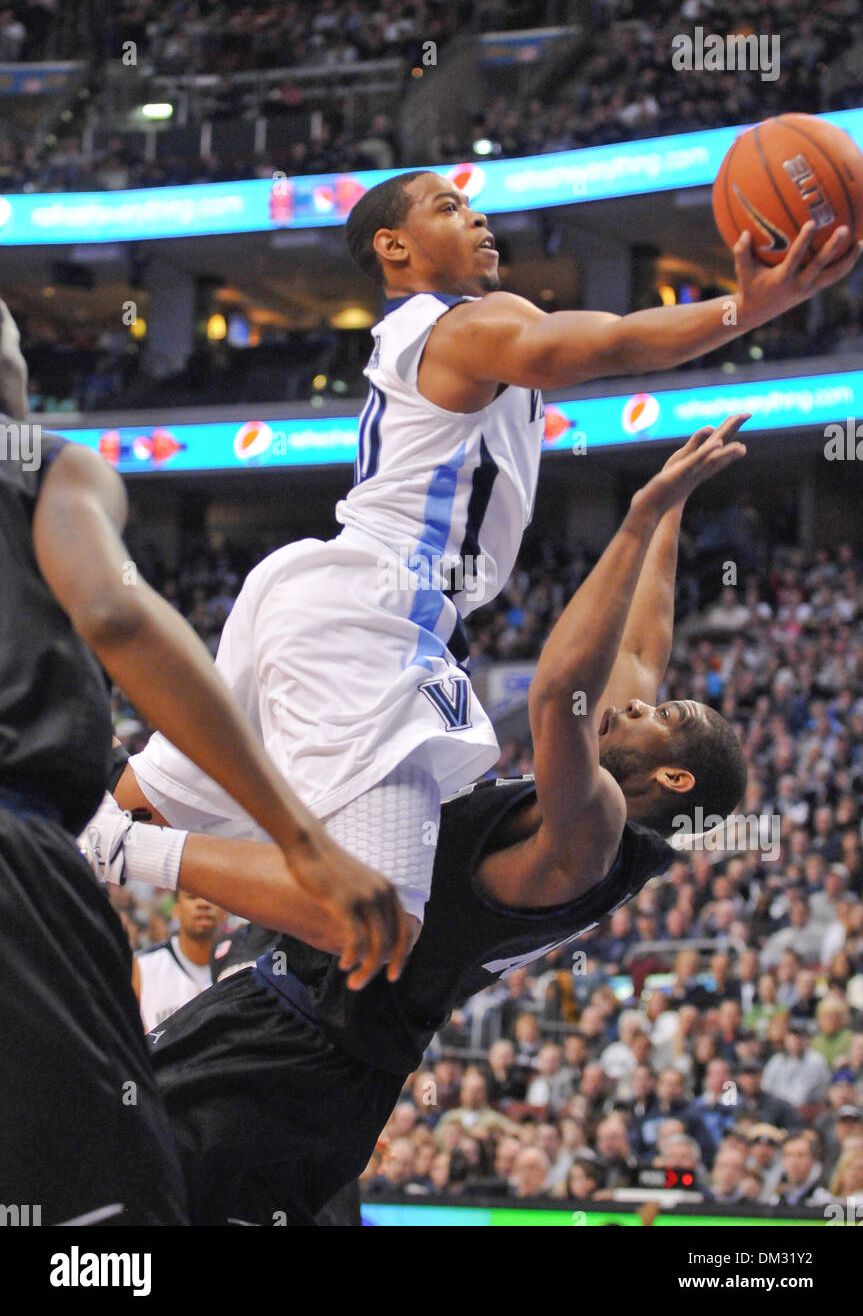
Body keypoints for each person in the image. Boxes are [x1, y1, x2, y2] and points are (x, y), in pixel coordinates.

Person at [116, 171, 859, 932]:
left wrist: (663, 512)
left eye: (469, 204)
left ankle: (66, 829)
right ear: (392, 247)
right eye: (450, 207)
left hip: (331, 591)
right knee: (376, 917)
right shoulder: (466, 325)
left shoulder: (446, 329)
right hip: (375, 609)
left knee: (145, 802)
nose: (477, 217)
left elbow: (640, 646)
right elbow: (610, 342)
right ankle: (109, 846)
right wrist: (745, 308)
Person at [93, 417, 753, 1223]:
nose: (640, 699)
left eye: (663, 714)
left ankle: (120, 841)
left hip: (299, 1062)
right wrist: (670, 508)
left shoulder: (595, 837)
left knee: (113, 1217)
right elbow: (641, 650)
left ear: (672, 776)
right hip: (284, 1017)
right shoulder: (607, 815)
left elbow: (558, 696)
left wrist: (637, 516)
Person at [0, 303, 406, 1228]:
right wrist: (298, 837)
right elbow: (113, 614)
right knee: (119, 1207)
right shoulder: (45, 465)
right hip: (15, 853)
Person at [134, 891, 225, 1033]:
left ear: (225, 911)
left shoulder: (245, 965)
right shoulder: (142, 967)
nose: (203, 904)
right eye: (192, 897)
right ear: (176, 910)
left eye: (210, 897)